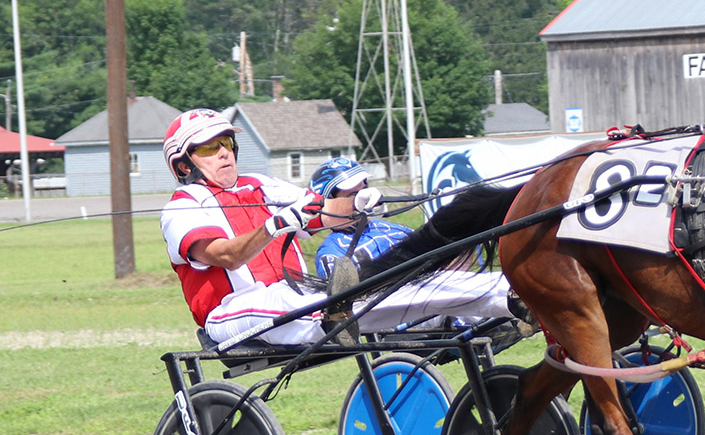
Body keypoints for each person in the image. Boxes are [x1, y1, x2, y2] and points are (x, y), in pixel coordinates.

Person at [159, 109, 517, 346]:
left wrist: (359, 202)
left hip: (303, 297)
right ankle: (335, 310)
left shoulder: (261, 185)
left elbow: (325, 213)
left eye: (227, 143)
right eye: (209, 146)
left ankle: (509, 294)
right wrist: (274, 225)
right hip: (231, 312)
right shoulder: (182, 208)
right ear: (182, 164)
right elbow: (226, 256)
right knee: (287, 298)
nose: (224, 152)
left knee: (396, 284)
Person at [309, 157, 524, 333]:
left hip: (435, 292)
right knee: (462, 291)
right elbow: (349, 305)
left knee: (488, 279)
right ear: (327, 201)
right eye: (353, 194)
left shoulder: (391, 228)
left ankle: (519, 301)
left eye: (365, 187)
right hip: (401, 314)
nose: (365, 196)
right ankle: (516, 307)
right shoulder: (332, 251)